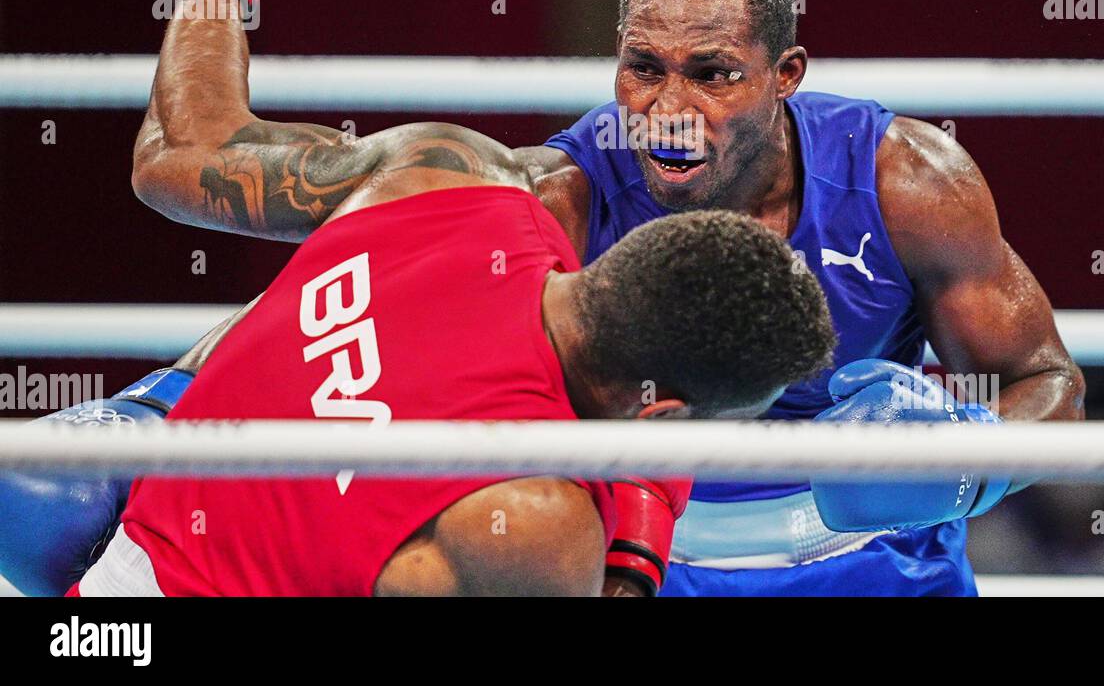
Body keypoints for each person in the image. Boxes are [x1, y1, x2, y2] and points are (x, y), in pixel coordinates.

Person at [12, 0, 1085, 597]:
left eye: (713, 74)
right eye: (642, 69)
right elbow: (225, 196)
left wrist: (967, 457)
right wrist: (167, 406)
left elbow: (1052, 382)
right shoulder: (535, 201)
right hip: (631, 553)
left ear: (785, 75)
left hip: (868, 562)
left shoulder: (906, 182)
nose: (670, 111)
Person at [58, 162, 834, 595]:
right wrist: (632, 563)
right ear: (661, 418)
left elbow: (178, 155)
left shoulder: (461, 183)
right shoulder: (536, 517)